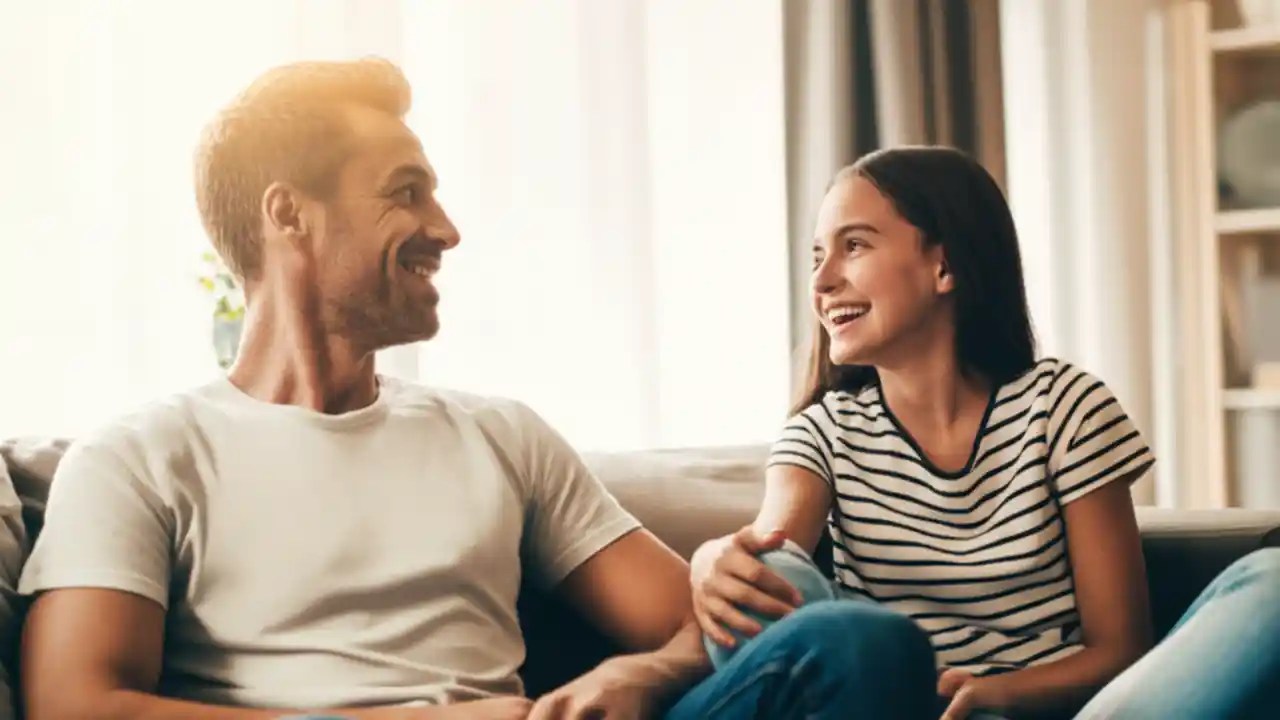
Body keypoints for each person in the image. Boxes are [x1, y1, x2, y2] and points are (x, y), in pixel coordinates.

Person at [17, 58, 716, 719]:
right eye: (407, 193)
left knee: (819, 631)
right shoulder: (135, 459)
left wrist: (645, 673)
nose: (446, 230)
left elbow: (703, 621)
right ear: (289, 214)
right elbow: (76, 706)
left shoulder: (502, 435)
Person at [686, 146, 1280, 719]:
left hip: (1068, 714)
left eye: (854, 246)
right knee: (771, 576)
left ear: (944, 266)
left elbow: (1120, 648)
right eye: (818, 256)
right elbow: (770, 560)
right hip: (899, 709)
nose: (822, 281)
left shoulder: (1063, 406)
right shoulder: (822, 433)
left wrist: (1001, 693)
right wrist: (716, 561)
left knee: (1272, 583)